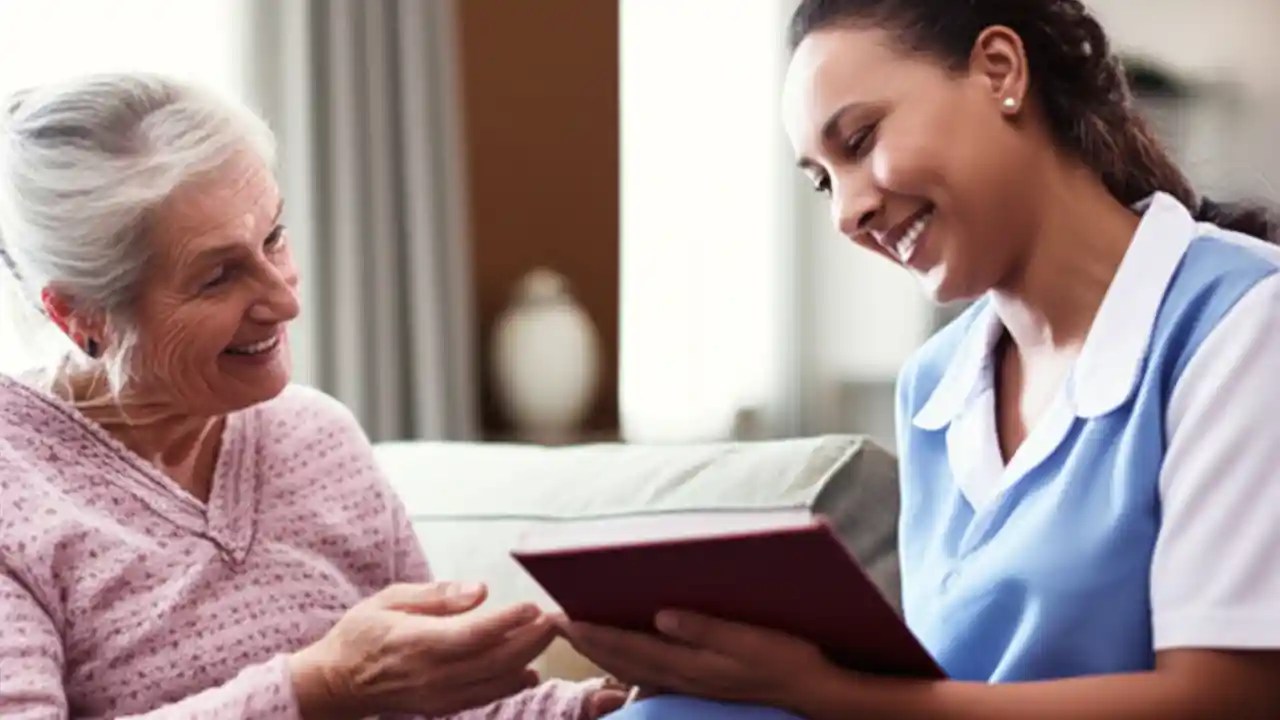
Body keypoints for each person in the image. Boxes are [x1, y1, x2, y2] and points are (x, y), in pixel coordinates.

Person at [563, 1, 1280, 718]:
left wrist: (826, 691)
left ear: (1000, 70)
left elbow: (1227, 699)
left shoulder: (1239, 319)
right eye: (822, 180)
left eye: (861, 138)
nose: (846, 213)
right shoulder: (936, 384)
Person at [0, 73, 627, 719]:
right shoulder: (14, 492)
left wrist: (613, 702)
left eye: (273, 237)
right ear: (78, 315)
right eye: (218, 277)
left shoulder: (313, 435)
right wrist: (320, 687)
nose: (285, 300)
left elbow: (443, 709)